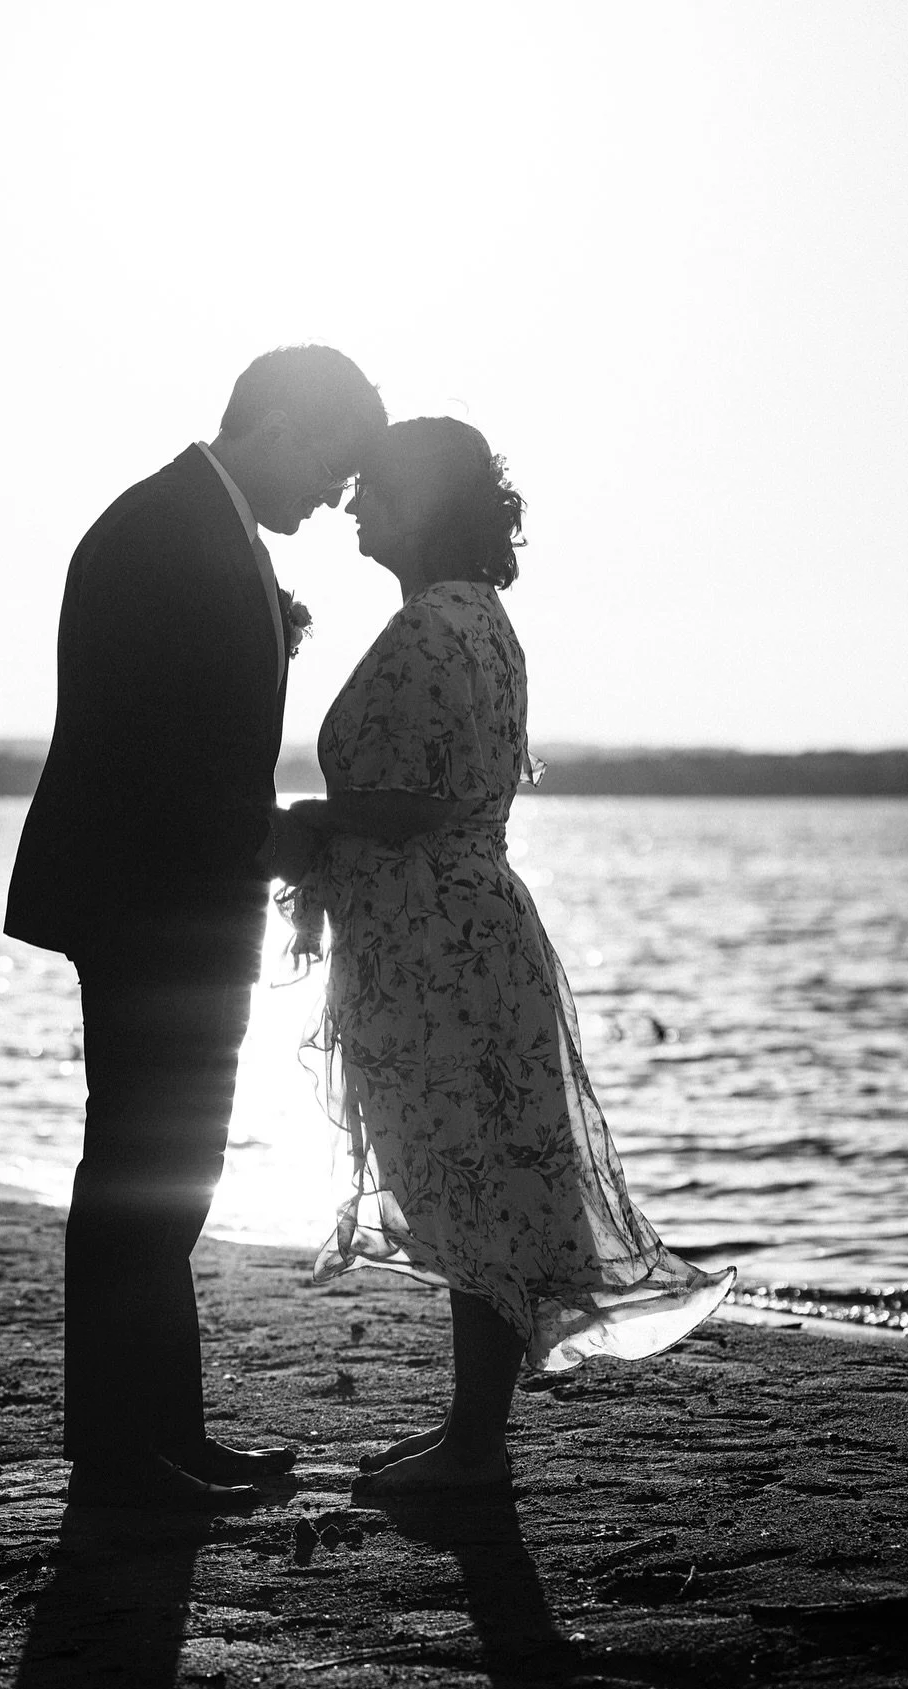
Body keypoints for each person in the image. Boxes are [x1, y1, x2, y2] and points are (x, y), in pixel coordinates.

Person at [275, 417, 734, 1496]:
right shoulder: (478, 617)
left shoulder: (434, 626)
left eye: (376, 489)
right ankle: (470, 1433)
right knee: (467, 1175)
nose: (354, 507)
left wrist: (293, 824)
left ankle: (474, 1446)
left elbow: (413, 805)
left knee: (466, 1178)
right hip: (461, 930)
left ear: (425, 505)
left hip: (439, 941)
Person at [5, 346, 387, 1510]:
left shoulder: (205, 529)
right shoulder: (160, 535)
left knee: (175, 1173)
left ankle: (166, 1435)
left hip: (181, 903)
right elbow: (154, 754)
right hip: (148, 907)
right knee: (141, 1172)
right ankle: (122, 1454)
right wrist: (282, 840)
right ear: (276, 426)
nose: (330, 498)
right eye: (328, 467)